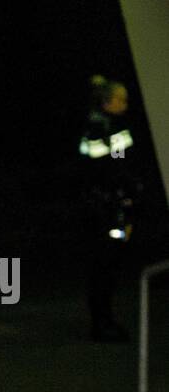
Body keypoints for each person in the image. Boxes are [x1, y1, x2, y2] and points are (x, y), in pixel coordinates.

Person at [77, 75, 144, 343]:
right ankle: (101, 323)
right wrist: (127, 188)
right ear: (108, 101)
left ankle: (105, 319)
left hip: (110, 206)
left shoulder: (108, 125)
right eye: (121, 98)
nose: (126, 103)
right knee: (104, 263)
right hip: (105, 209)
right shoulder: (102, 127)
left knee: (109, 263)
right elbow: (111, 167)